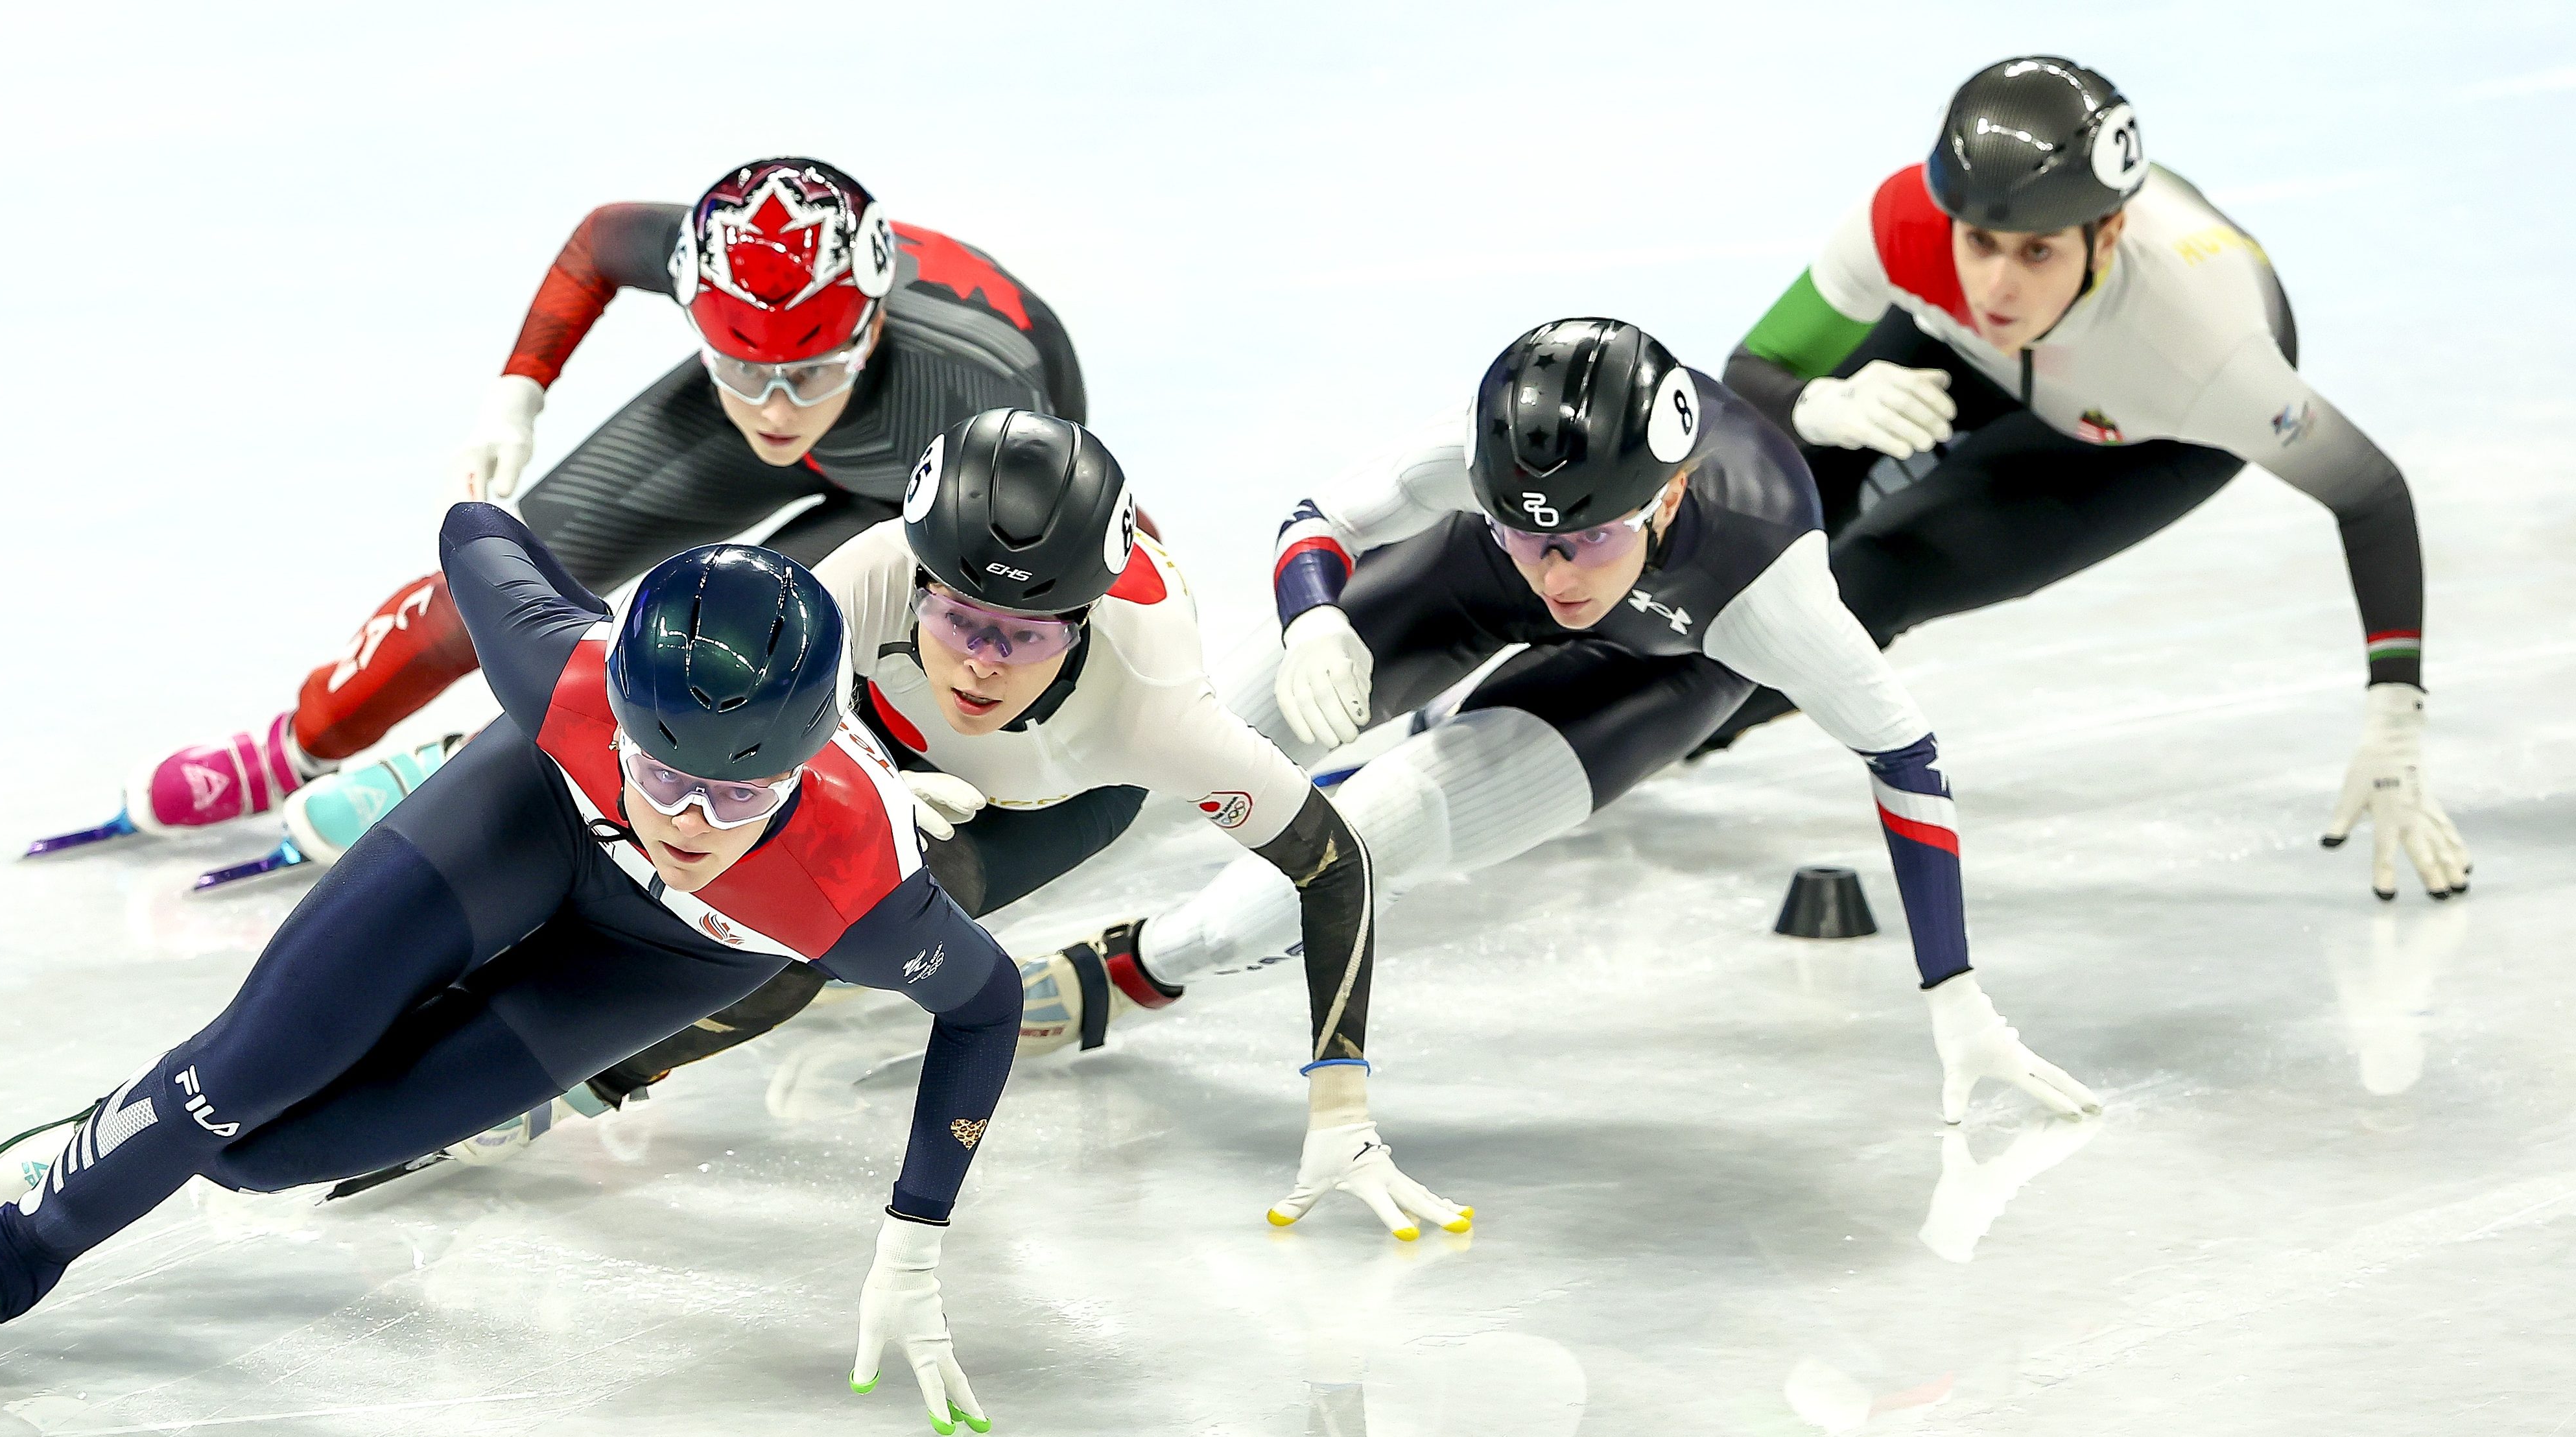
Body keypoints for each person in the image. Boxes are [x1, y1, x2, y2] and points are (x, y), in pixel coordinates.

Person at [0, 506, 1019, 1435]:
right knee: (253, 1065)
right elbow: (477, 531)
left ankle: (124, 1126)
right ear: (621, 717)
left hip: (669, 954)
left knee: (266, 1156)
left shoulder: (857, 893)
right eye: (663, 767)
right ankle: (21, 1248)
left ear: (802, 770)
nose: (687, 820)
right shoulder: (568, 680)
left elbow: (988, 1003)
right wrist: (596, 625)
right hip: (537, 810)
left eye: (736, 791)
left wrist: (914, 1235)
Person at [327, 412, 1465, 1241]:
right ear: (918, 579)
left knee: (804, 935)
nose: (979, 658)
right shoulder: (869, 575)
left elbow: (1333, 864)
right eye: (961, 615)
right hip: (865, 725)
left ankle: (572, 1090)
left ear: (1083, 626)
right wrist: (855, 759)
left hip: (1051, 797)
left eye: (1023, 637)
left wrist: (1342, 1098)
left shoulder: (1160, 716)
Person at [1021, 317, 2098, 1129]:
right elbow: (1325, 518)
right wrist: (1314, 625)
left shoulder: (1771, 581)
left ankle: (1136, 967)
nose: (1552, 569)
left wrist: (1954, 991)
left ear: (1667, 502)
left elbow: (1901, 755)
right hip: (1457, 589)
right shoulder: (1481, 470)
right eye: (1525, 532)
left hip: (1659, 668)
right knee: (1183, 730)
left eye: (1585, 541)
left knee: (1367, 835)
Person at [30, 156, 1085, 865]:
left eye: (808, 375)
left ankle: (488, 765)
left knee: (738, 665)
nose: (773, 410)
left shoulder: (983, 397)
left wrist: (879, 755)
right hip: (872, 428)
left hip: (928, 486)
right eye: (737, 368)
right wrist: (518, 388)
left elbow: (1026, 608)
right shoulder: (737, 259)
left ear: (869, 331)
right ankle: (292, 744)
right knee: (490, 581)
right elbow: (596, 240)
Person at [1707, 55, 2465, 901]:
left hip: (2140, 425)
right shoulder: (1909, 225)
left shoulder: (2214, 362)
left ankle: (1665, 729)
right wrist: (1817, 404)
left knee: (1876, 575)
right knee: (1767, 495)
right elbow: (1753, 371)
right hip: (1975, 349)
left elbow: (2370, 494)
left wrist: (2396, 716)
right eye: (1981, 242)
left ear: (2107, 236)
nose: (1996, 284)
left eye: (2035, 250)